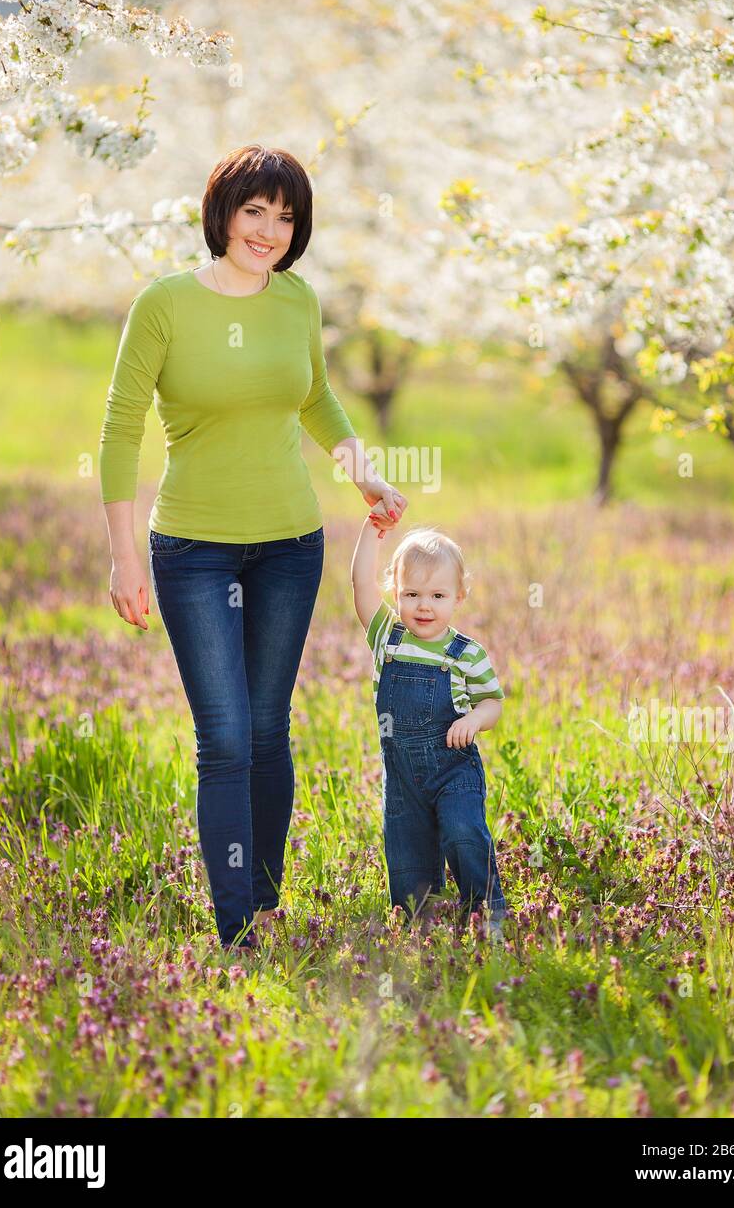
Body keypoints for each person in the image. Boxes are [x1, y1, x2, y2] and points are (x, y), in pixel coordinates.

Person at [99, 144, 407, 951]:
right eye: (254, 211)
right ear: (223, 212)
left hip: (290, 546)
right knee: (225, 736)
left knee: (269, 729)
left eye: (285, 217)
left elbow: (316, 398)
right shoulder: (164, 304)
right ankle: (236, 926)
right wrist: (123, 556)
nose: (268, 230)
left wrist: (362, 474)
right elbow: (120, 428)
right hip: (192, 551)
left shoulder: (296, 301)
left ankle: (265, 904)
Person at [351, 510, 507, 932]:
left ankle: (486, 911)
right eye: (412, 594)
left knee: (463, 832)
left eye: (437, 596)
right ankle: (424, 923)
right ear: (396, 594)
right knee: (407, 855)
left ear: (459, 597)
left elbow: (494, 702)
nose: (424, 605)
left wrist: (475, 719)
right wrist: (372, 530)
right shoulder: (388, 635)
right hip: (402, 777)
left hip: (454, 767)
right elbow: (361, 585)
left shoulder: (465, 653)